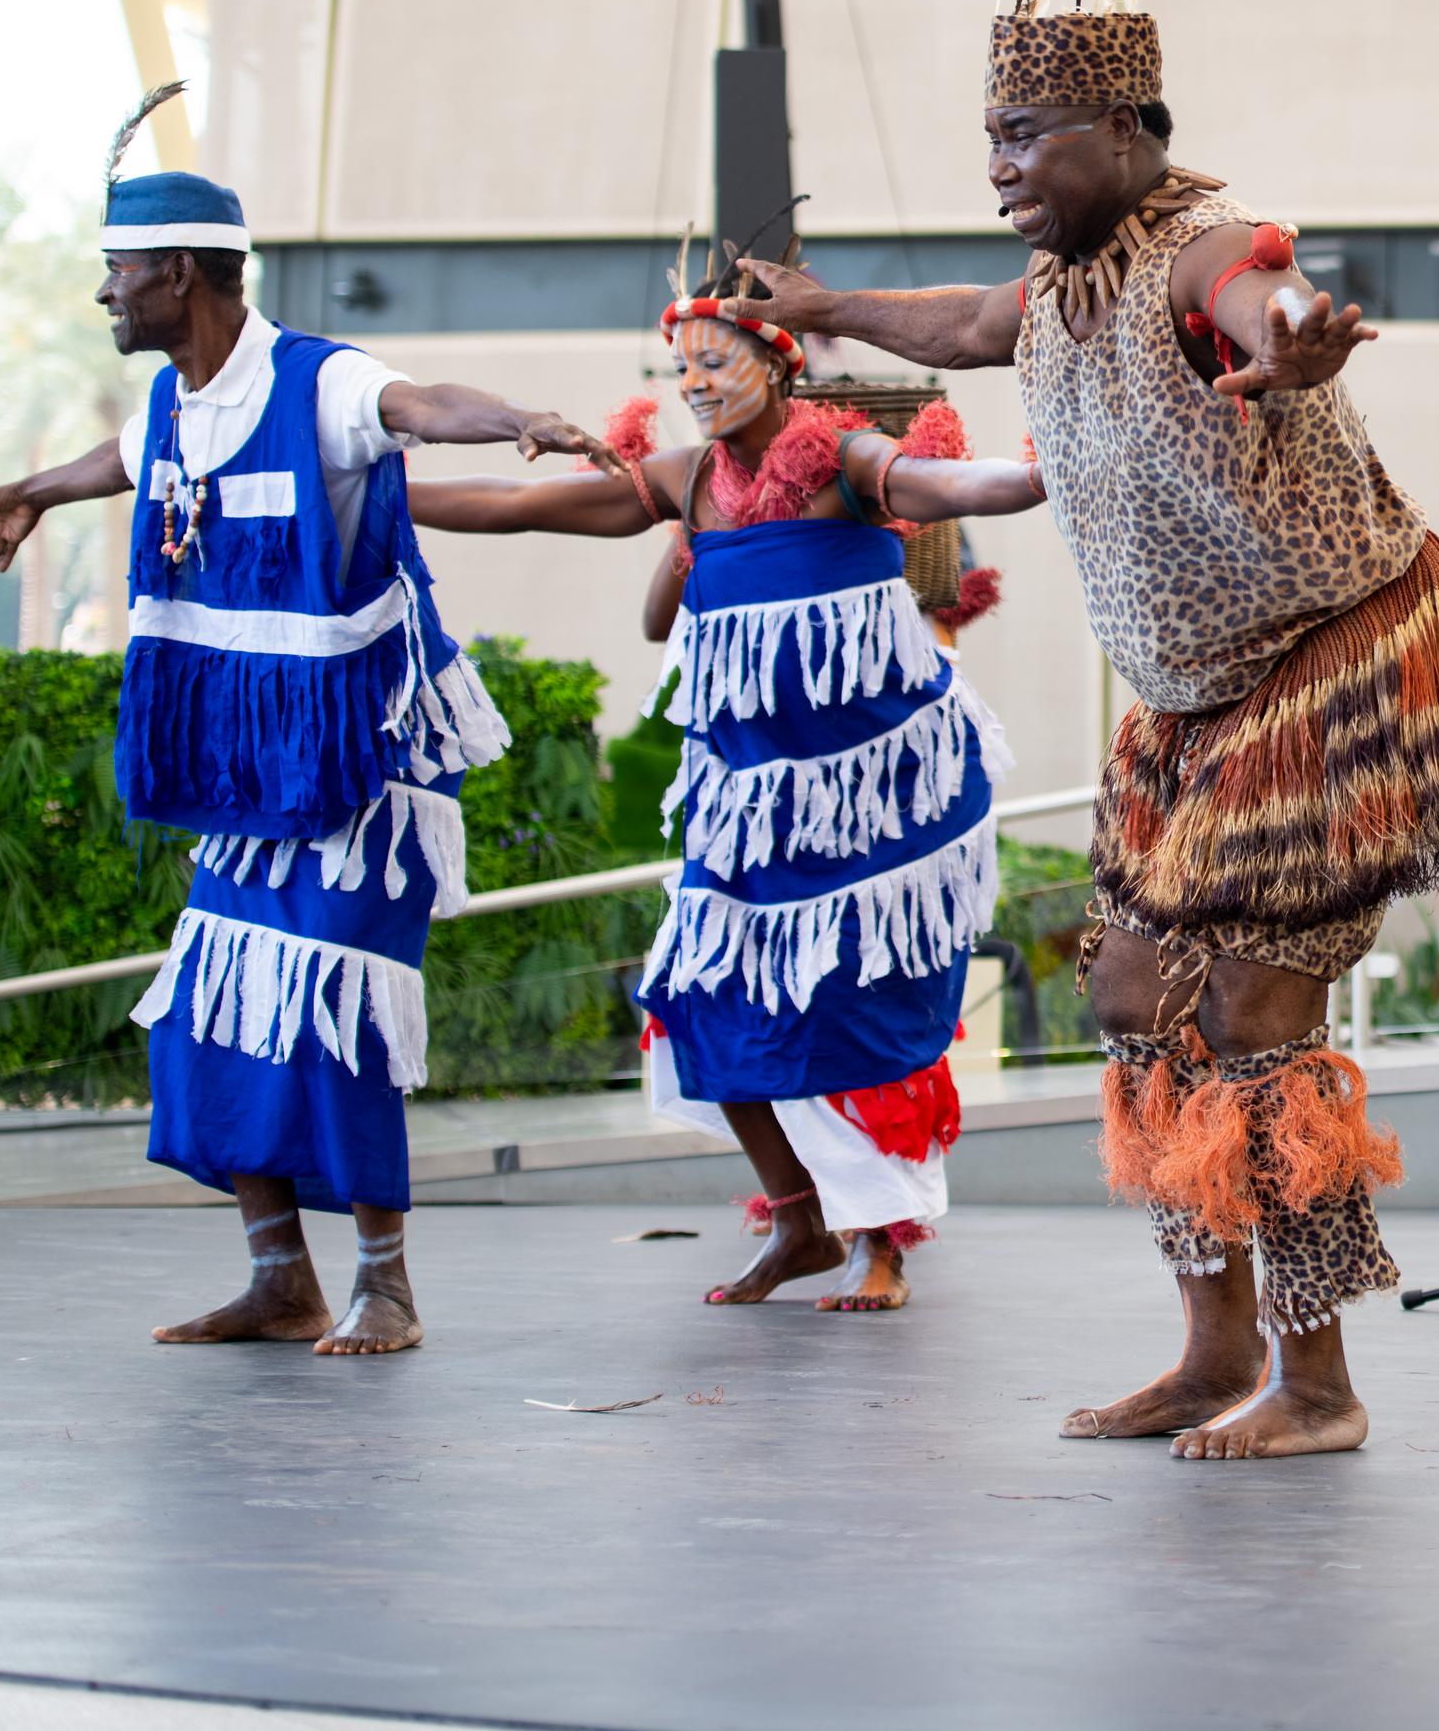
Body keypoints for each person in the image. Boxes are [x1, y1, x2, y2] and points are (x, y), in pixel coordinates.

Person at [729, 0, 1439, 1460]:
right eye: (989, 136)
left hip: (1333, 675)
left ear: (1126, 129)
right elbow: (971, 323)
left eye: (1029, 135)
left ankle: (1318, 1387)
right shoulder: (1053, 283)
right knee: (1135, 997)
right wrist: (829, 307)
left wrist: (1300, 337)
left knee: (1258, 1012)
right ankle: (1212, 1350)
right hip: (1191, 706)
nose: (1000, 165)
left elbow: (1259, 294)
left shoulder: (1198, 241)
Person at [0, 86, 599, 1355]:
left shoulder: (322, 381)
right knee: (212, 1011)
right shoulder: (173, 403)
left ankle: (386, 1284)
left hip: (361, 774)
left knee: (330, 1010)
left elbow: (418, 403)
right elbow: (118, 464)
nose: (107, 296)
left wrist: (515, 415)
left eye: (120, 273)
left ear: (180, 270)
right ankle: (277, 1276)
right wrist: (32, 490)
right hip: (252, 776)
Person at [409, 281, 1039, 1313]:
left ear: (778, 362)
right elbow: (520, 509)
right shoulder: (688, 480)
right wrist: (369, 493)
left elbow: (952, 486)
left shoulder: (842, 459)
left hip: (878, 792)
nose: (695, 382)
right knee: (700, 995)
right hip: (753, 795)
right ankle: (795, 1216)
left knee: (851, 1003)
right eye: (683, 366)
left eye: (717, 360)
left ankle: (879, 1240)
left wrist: (1050, 465)